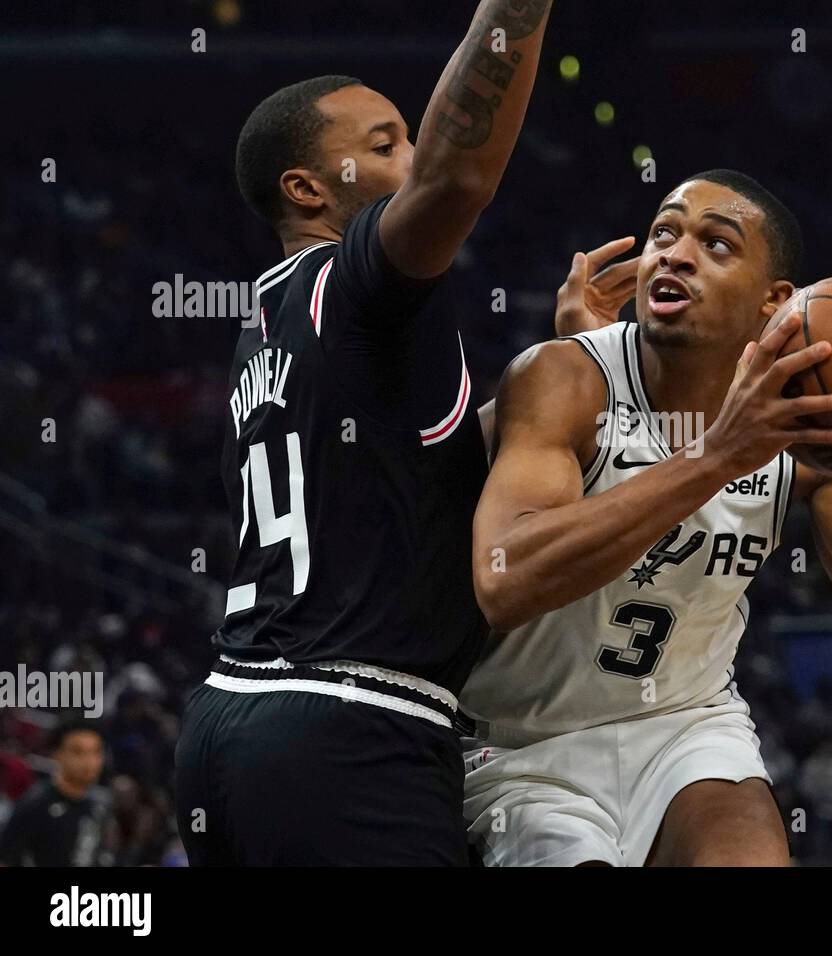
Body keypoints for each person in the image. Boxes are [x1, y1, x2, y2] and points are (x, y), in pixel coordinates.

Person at [460, 169, 832, 866]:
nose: (673, 254)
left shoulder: (813, 427)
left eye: (716, 243)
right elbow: (504, 581)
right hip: (522, 744)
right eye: (664, 233)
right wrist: (717, 457)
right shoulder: (567, 379)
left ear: (776, 304)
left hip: (684, 726)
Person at [174, 0, 555, 866]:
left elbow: (411, 473)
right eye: (386, 146)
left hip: (230, 723)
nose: (415, 158)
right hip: (349, 732)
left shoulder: (264, 322)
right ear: (308, 189)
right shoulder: (355, 290)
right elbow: (457, 180)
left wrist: (568, 367)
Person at [0, 721, 113, 867]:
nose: (88, 761)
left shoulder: (100, 808)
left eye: (96, 752)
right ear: (57, 755)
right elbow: (6, 858)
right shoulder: (37, 803)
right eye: (78, 752)